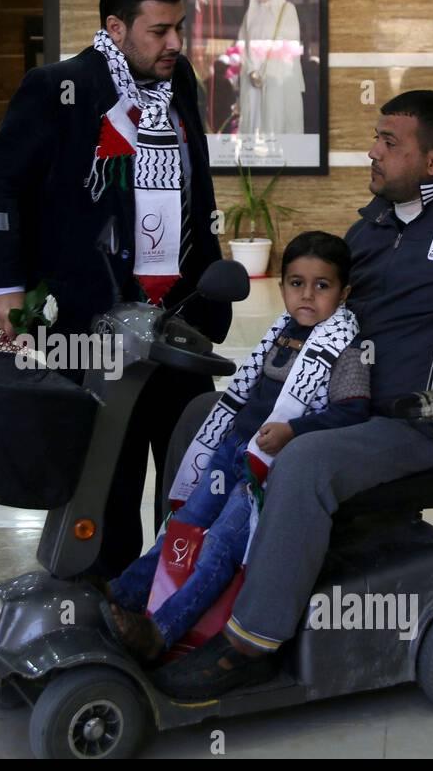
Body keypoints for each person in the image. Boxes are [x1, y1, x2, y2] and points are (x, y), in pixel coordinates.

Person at [153, 90, 433, 700]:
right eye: (376, 138)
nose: (373, 151)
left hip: (419, 424)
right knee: (205, 411)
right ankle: (173, 583)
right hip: (342, 406)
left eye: (391, 143)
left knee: (304, 462)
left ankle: (251, 642)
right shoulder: (373, 227)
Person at [0, 0, 233, 577]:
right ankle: (101, 601)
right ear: (115, 27)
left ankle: (174, 601)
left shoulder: (180, 80)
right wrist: (5, 289)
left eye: (180, 29)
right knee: (103, 479)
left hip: (181, 318)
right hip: (94, 318)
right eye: (159, 31)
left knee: (188, 471)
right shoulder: (60, 87)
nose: (175, 44)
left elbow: (195, 182)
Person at [106, 232, 369, 661]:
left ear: (344, 292)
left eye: (322, 286)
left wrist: (294, 431)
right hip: (232, 453)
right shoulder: (283, 331)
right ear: (281, 286)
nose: (307, 295)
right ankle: (123, 596)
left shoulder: (346, 347)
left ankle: (160, 631)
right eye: (296, 283)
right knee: (182, 528)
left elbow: (353, 411)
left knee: (218, 548)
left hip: (267, 473)